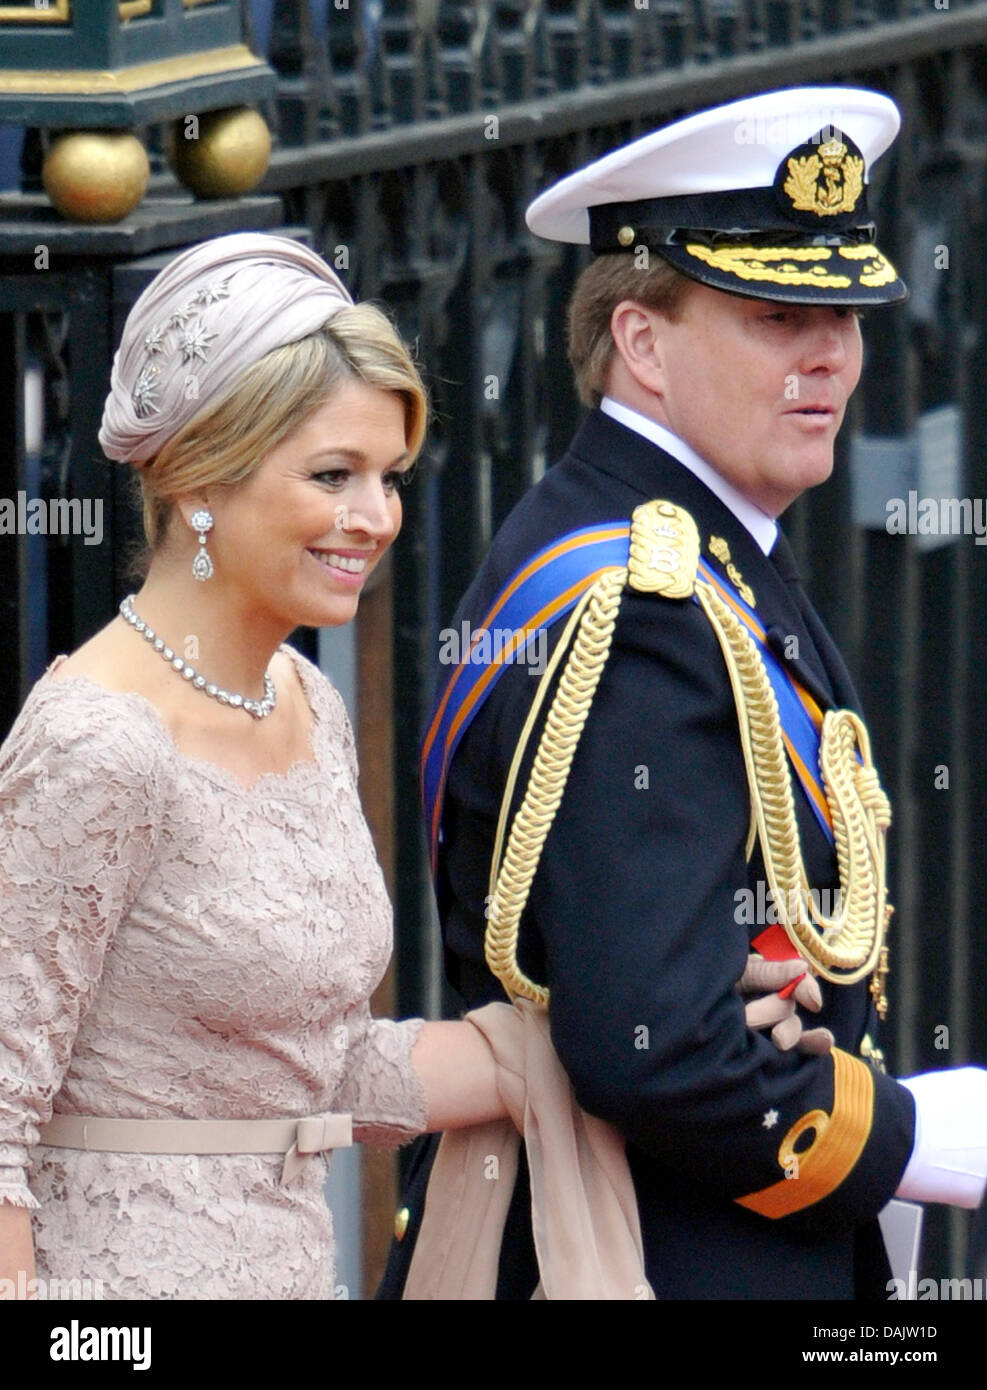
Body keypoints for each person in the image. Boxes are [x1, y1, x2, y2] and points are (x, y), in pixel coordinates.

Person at [382, 87, 987, 1299]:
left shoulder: (679, 542)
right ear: (644, 345)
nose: (831, 355)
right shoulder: (646, 605)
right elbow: (647, 1045)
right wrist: (911, 1142)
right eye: (775, 313)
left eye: (848, 313)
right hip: (656, 1252)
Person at [0, 232, 508, 1301]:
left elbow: (312, 1067)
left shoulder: (306, 701)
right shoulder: (100, 743)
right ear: (199, 483)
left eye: (389, 475)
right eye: (334, 474)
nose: (375, 516)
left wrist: (627, 1034)